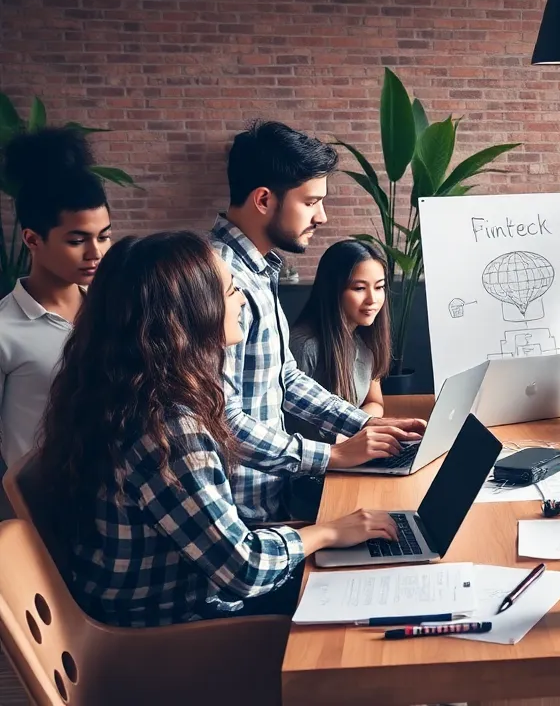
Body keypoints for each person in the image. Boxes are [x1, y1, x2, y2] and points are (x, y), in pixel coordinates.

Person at [35, 232, 402, 627]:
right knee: (367, 602)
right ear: (191, 312)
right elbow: (244, 569)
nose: (241, 301)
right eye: (230, 291)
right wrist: (328, 533)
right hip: (174, 630)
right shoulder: (168, 428)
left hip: (179, 598)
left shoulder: (133, 394)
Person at [211, 120, 423, 524]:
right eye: (310, 202)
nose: (322, 217)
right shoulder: (215, 277)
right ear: (263, 200)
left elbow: (285, 378)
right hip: (240, 519)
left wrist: (370, 427)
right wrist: (332, 454)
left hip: (270, 496)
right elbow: (221, 416)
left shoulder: (260, 270)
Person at [0, 128, 112, 471]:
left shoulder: (114, 308)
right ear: (32, 240)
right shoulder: (5, 330)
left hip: (121, 506)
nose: (95, 252)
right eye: (77, 240)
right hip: (41, 514)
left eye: (104, 236)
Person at [288, 240, 390, 431]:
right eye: (359, 288)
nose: (372, 299)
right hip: (323, 457)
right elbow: (291, 425)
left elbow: (376, 403)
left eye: (379, 287)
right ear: (333, 290)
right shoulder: (305, 347)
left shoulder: (367, 340)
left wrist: (360, 428)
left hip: (353, 447)